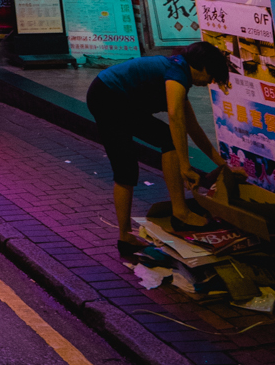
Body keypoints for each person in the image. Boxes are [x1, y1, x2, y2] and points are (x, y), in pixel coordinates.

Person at [86, 42, 229, 251]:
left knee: (166, 138)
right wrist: (185, 166)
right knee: (126, 168)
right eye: (212, 76)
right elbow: (175, 118)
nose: (210, 82)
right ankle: (125, 237)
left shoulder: (180, 73)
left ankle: (180, 212)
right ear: (204, 67)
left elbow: (193, 127)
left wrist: (222, 164)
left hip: (121, 100)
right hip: (107, 97)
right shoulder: (176, 74)